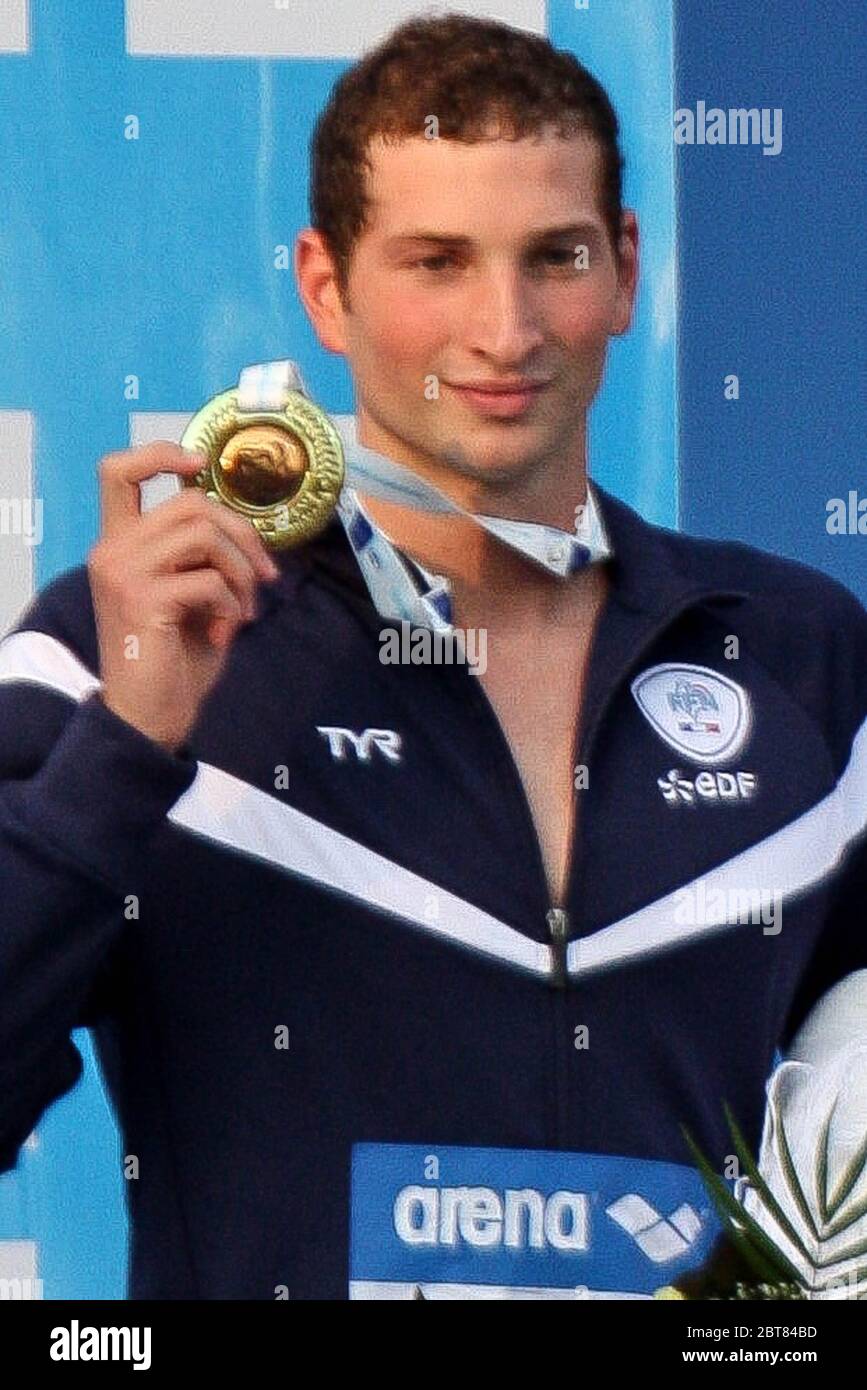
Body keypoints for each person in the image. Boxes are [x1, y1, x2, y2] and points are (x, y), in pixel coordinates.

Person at [1, 13, 864, 1301]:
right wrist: (128, 744)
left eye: (554, 257)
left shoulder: (803, 665)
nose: (505, 330)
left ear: (625, 270)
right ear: (326, 289)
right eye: (438, 262)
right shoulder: (124, 646)